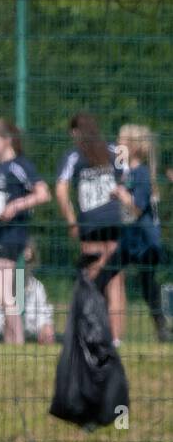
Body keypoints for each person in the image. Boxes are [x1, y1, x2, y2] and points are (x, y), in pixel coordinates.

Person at [0, 118, 51, 345]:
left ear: (6, 140)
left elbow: (43, 194)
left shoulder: (19, 165)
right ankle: (12, 342)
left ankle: (16, 342)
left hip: (11, 235)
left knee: (2, 292)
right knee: (2, 293)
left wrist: (16, 206)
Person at [55, 113, 128, 345]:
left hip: (90, 222)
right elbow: (128, 179)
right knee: (115, 279)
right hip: (115, 220)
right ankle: (115, 339)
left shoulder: (73, 156)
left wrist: (71, 221)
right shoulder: (115, 150)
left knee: (93, 278)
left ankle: (91, 334)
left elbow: (61, 190)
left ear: (76, 132)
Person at [116, 123, 169, 343]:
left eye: (121, 141)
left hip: (144, 241)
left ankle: (162, 328)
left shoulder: (142, 173)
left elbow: (137, 207)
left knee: (147, 284)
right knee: (112, 276)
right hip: (129, 237)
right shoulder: (126, 173)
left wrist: (120, 194)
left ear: (134, 146)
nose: (117, 145)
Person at [0, 238, 55, 345]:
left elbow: (43, 318)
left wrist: (45, 327)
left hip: (20, 340)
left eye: (27, 262)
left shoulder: (37, 287)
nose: (23, 266)